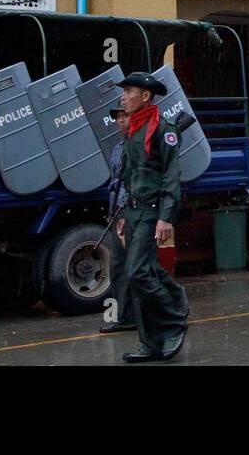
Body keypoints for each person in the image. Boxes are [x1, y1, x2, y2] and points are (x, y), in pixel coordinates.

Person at [115, 72, 190, 362]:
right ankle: (149, 343)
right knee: (140, 276)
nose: (124, 97)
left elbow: (172, 175)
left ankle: (173, 321)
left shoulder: (163, 129)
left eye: (129, 91)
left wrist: (166, 217)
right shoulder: (134, 129)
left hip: (152, 211)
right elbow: (130, 174)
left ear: (145, 96)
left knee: (137, 271)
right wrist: (122, 211)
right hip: (133, 211)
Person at [99, 106, 136, 334]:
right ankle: (125, 316)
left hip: (133, 213)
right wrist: (113, 213)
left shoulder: (139, 147)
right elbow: (116, 183)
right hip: (118, 213)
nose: (120, 121)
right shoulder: (118, 148)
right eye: (118, 118)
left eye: (125, 117)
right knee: (119, 267)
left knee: (140, 268)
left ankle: (172, 309)